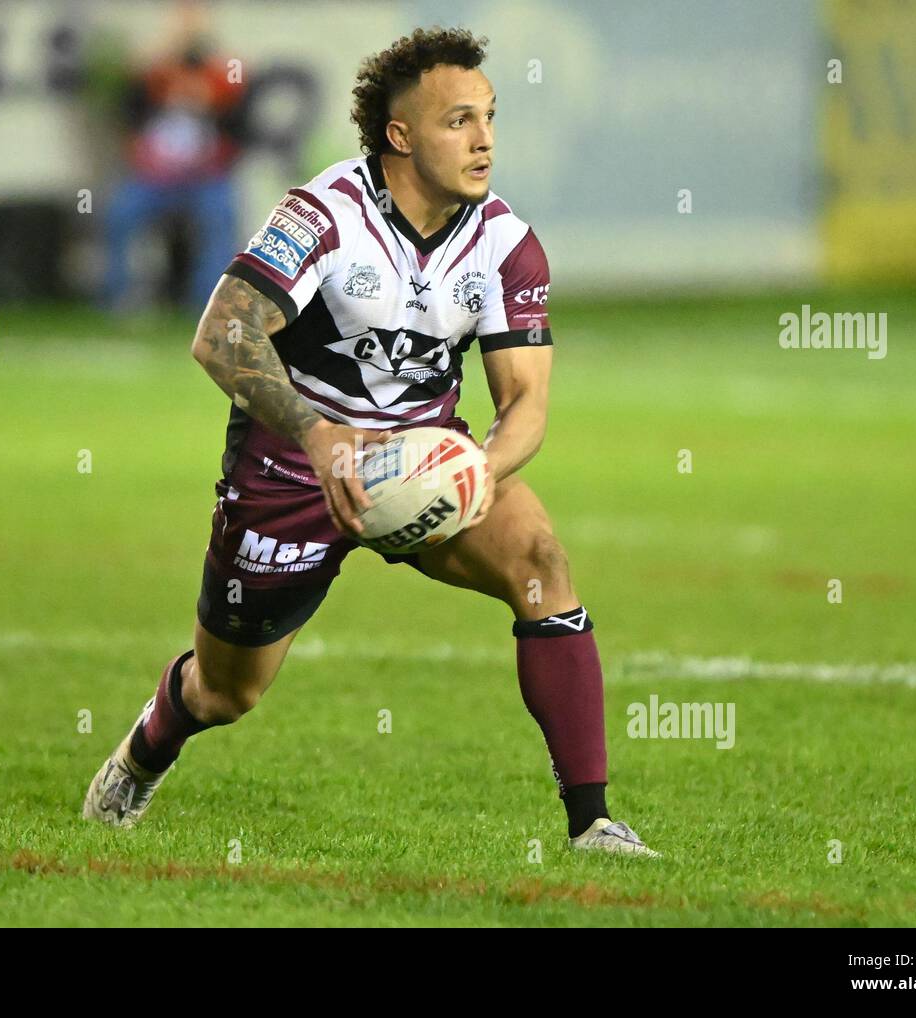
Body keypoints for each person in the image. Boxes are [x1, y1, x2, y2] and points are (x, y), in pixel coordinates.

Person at [84, 27, 658, 857]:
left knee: (540, 562)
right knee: (229, 691)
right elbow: (221, 334)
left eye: (489, 117)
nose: (485, 138)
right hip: (291, 466)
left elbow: (526, 401)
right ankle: (147, 750)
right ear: (400, 135)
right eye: (459, 120)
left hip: (425, 452)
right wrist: (318, 436)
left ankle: (592, 823)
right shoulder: (322, 215)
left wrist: (474, 469)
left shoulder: (503, 242)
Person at [101, 33, 244, 312]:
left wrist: (208, 111)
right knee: (119, 212)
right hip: (154, 183)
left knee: (221, 213)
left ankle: (209, 298)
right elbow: (128, 115)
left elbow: (235, 142)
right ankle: (117, 295)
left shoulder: (221, 101)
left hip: (203, 183)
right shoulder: (152, 96)